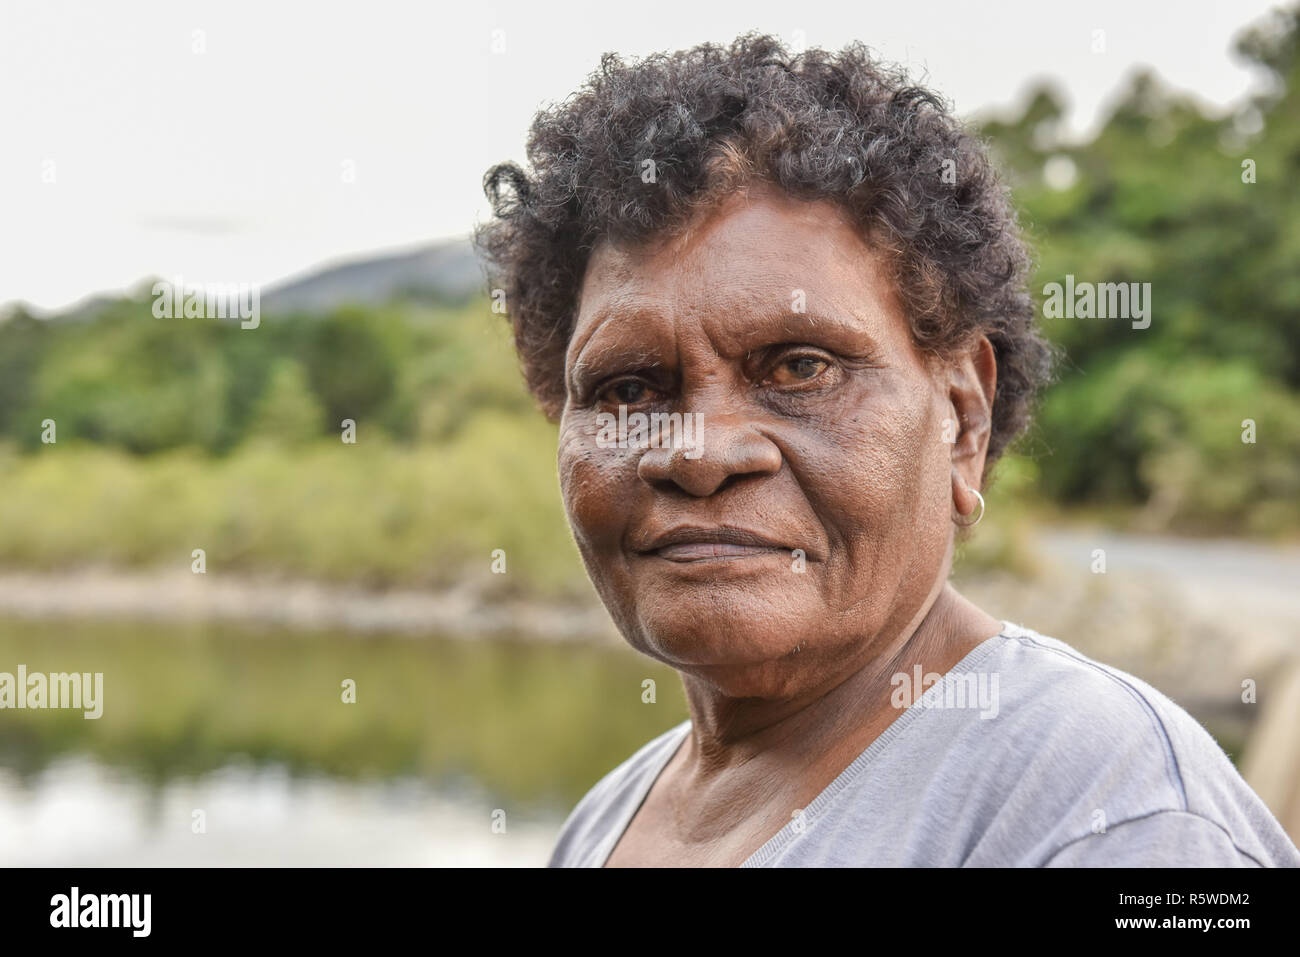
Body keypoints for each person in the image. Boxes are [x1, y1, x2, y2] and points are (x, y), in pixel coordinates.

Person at [475, 33, 1300, 867]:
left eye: (801, 368)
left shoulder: (1110, 812)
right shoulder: (606, 822)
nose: (699, 454)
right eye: (628, 389)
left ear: (962, 420)